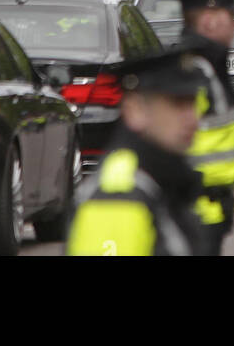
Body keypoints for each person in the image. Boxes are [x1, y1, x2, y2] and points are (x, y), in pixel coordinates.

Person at [66, 45, 210, 255]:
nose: (193, 119)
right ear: (135, 110)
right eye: (177, 104)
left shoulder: (159, 179)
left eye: (192, 103)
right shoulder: (119, 194)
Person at [172, 0, 234, 255]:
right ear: (209, 21)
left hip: (208, 208)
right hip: (192, 213)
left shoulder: (209, 66)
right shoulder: (191, 74)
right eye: (232, 17)